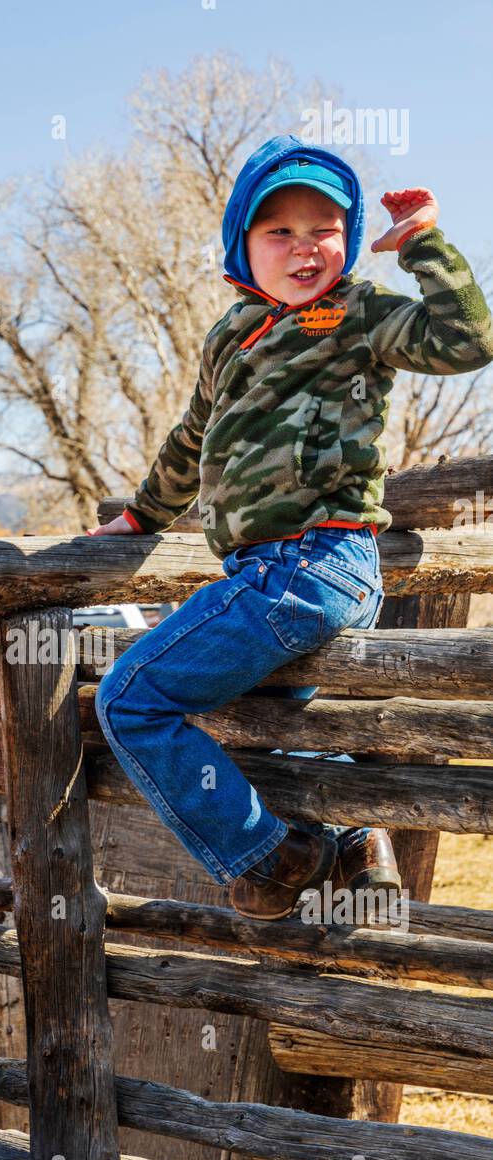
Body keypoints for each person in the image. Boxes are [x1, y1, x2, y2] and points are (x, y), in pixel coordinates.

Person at [89, 134, 493, 923]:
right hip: (275, 574)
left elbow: (466, 341)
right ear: (242, 245)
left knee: (131, 699)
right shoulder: (230, 336)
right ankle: (356, 844)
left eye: (324, 228)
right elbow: (189, 438)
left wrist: (424, 247)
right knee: (284, 727)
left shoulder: (357, 314)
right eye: (280, 231)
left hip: (311, 562)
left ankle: (270, 856)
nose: (306, 247)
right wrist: (139, 516)